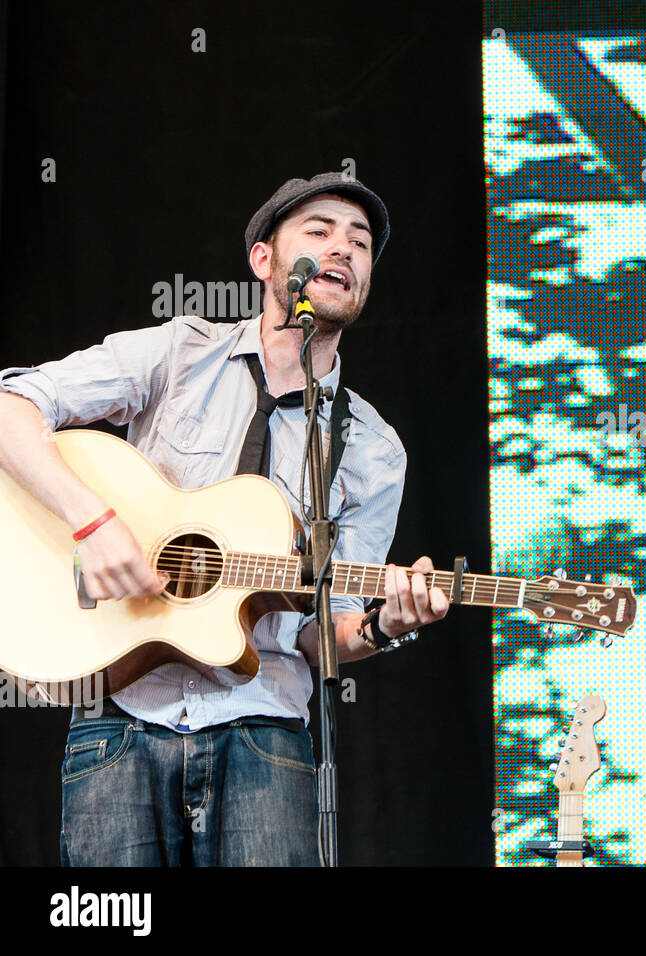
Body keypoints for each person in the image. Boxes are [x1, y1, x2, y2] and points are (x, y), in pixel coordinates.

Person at [0, 172, 448, 866]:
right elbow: (13, 409)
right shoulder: (178, 353)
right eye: (320, 232)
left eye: (360, 243)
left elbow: (320, 635)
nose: (344, 250)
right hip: (121, 715)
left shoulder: (372, 447)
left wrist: (389, 625)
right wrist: (91, 523)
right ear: (263, 260)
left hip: (265, 731)